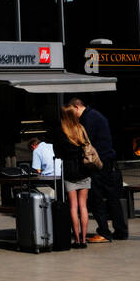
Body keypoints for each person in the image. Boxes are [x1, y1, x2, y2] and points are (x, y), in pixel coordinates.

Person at [70, 97, 128, 242]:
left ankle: (103, 231)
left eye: (71, 111)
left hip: (97, 163)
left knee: (96, 198)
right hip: (108, 161)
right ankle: (121, 231)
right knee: (112, 197)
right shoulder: (96, 115)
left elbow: (84, 142)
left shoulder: (87, 119)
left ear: (77, 107)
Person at [52, 106, 93, 249]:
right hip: (84, 170)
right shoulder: (81, 128)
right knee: (83, 206)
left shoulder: (62, 131)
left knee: (73, 207)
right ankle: (84, 239)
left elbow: (57, 153)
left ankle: (76, 239)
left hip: (69, 172)